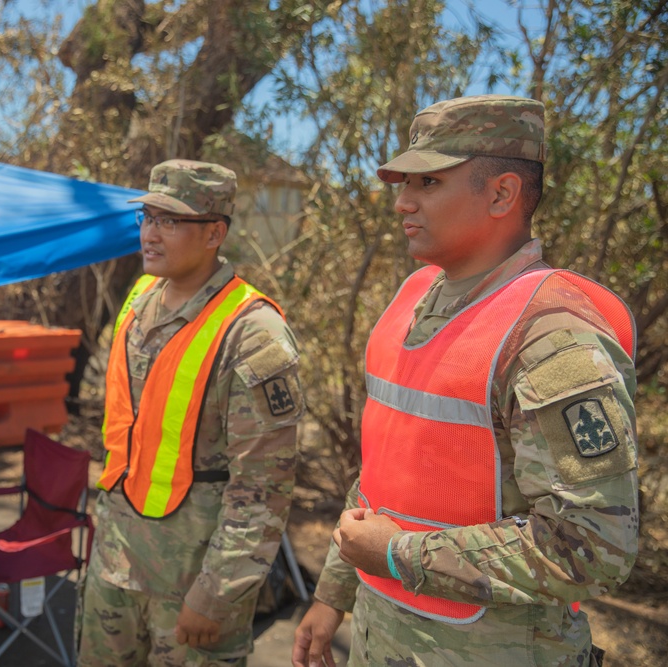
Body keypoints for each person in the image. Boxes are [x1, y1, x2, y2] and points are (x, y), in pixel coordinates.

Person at [292, 94, 638, 667]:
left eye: (428, 184)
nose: (402, 202)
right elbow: (385, 471)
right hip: (381, 637)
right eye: (403, 182)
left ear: (501, 193)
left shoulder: (552, 335)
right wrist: (336, 592)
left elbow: (594, 545)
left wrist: (400, 554)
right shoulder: (413, 300)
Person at [77, 159, 305, 666]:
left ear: (214, 234)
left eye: (171, 221)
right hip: (115, 562)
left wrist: (218, 592)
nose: (151, 234)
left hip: (190, 580)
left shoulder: (252, 332)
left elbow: (263, 487)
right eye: (148, 218)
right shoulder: (139, 298)